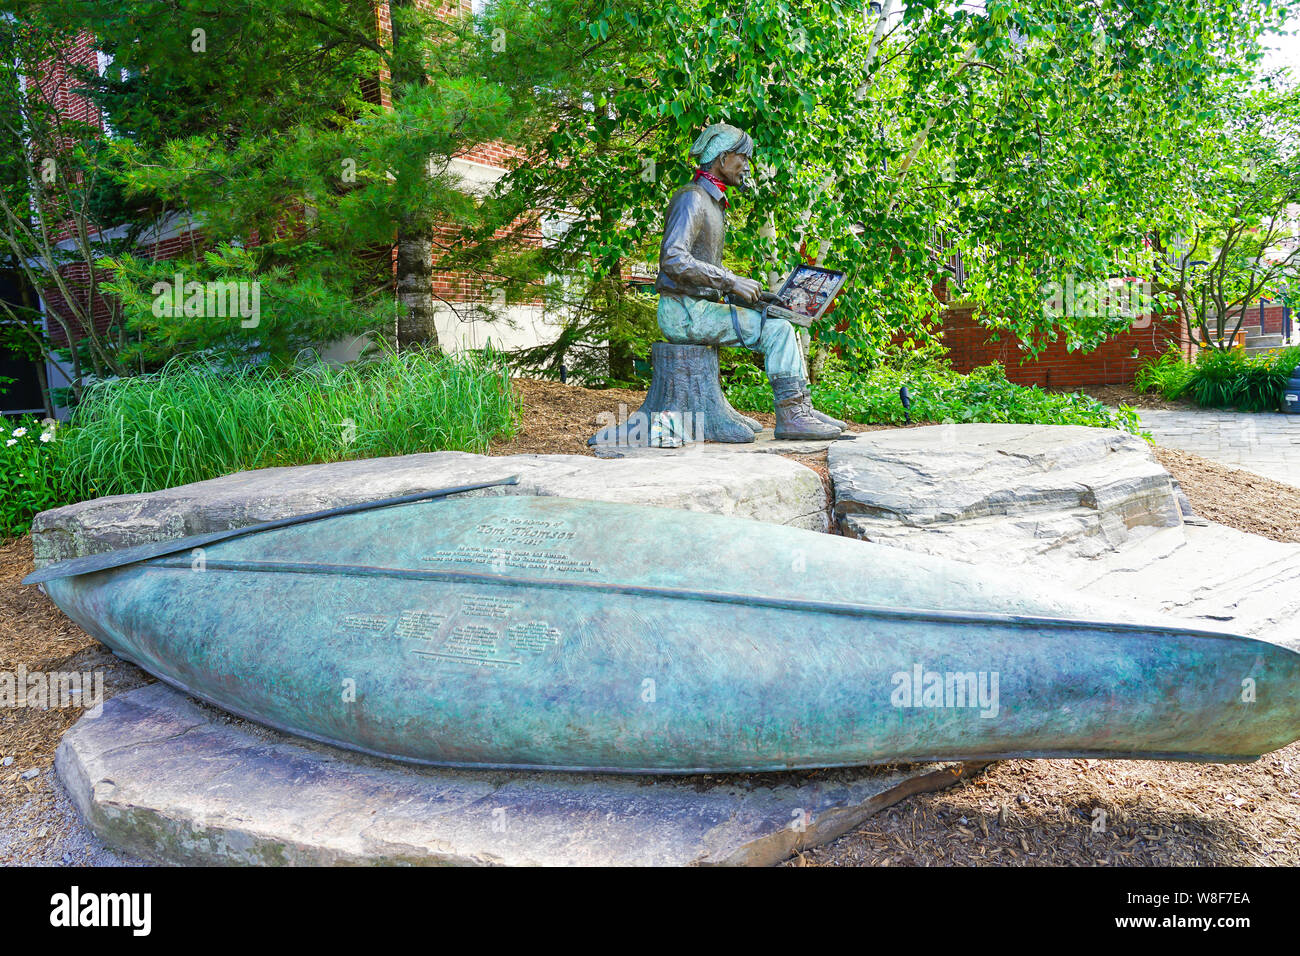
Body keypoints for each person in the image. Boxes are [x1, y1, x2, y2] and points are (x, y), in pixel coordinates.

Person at [654, 123, 845, 439]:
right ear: (722, 158)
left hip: (695, 308)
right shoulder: (693, 199)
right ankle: (793, 415)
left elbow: (701, 269)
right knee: (778, 330)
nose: (746, 166)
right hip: (683, 314)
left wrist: (751, 297)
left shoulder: (711, 201)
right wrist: (731, 281)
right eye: (742, 157)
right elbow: (673, 259)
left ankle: (801, 408)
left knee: (778, 320)